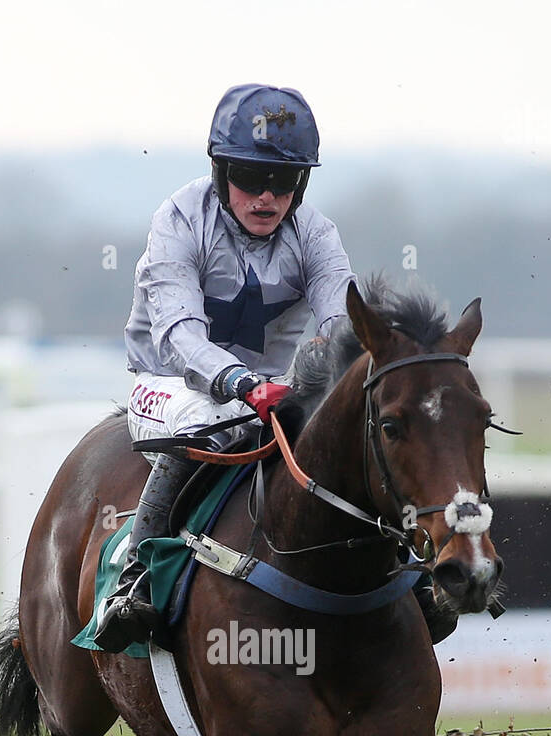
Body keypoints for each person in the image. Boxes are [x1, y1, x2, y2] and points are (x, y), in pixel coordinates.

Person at [94, 82, 454, 652]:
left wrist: (329, 365)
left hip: (272, 387)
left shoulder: (315, 232)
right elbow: (180, 330)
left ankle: (412, 567)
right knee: (211, 420)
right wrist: (239, 382)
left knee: (354, 428)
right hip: (170, 381)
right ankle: (137, 578)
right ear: (220, 171)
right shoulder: (180, 219)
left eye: (283, 182)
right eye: (249, 177)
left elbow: (344, 317)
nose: (267, 197)